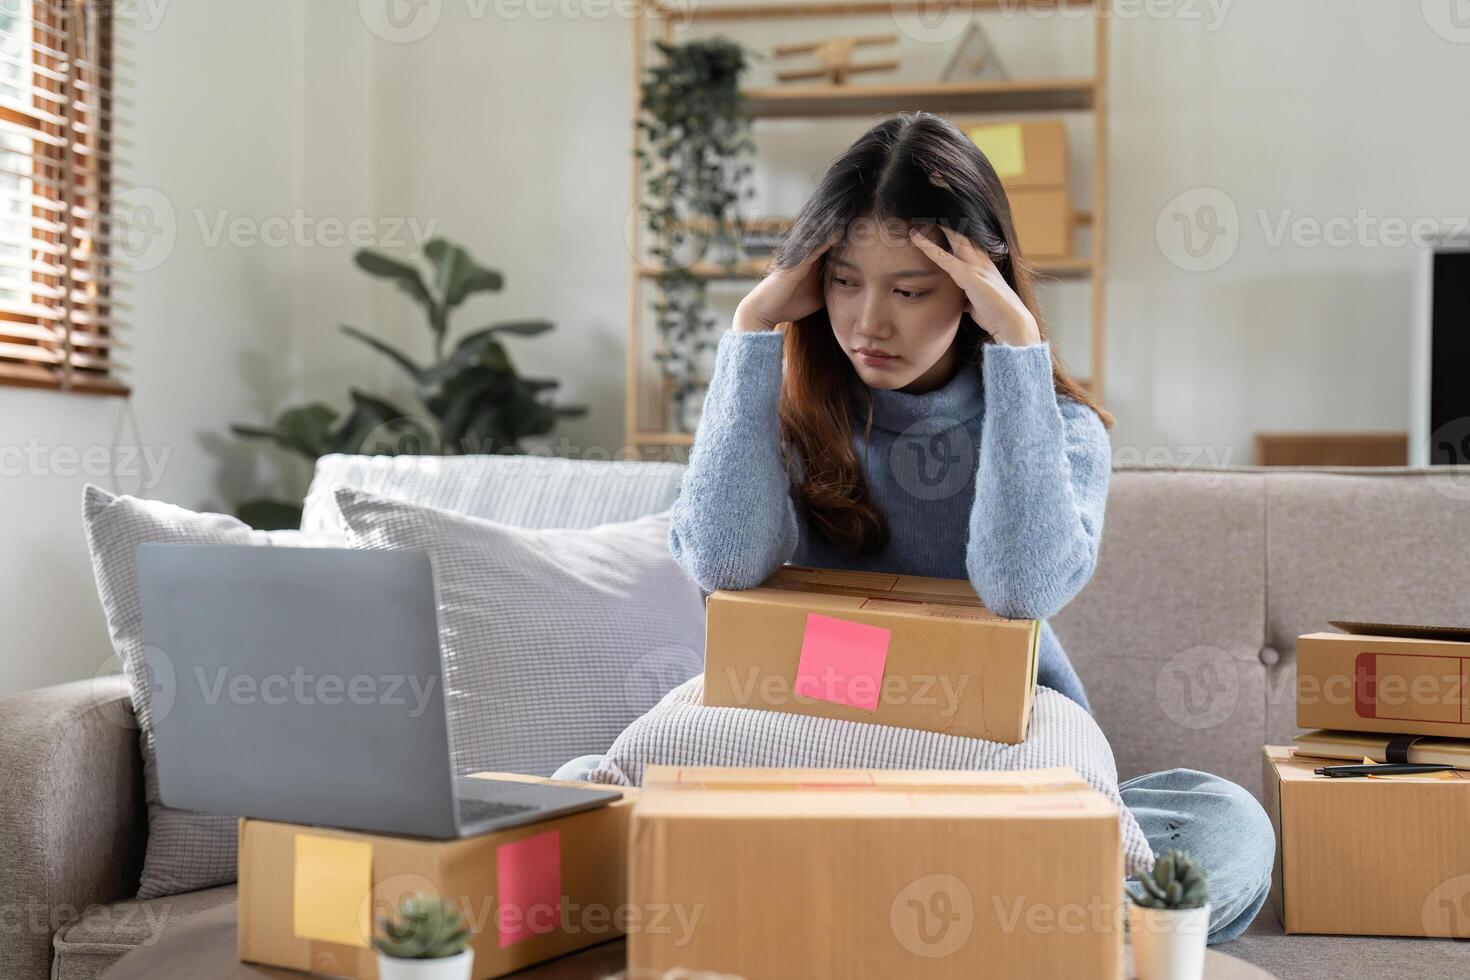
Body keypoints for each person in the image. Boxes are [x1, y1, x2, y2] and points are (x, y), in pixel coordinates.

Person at [558, 111, 1273, 945]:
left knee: (1226, 817)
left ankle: (884, 894)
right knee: (583, 781)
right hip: (812, 727)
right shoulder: (786, 414)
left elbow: (1021, 590)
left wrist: (1017, 347)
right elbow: (723, 563)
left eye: (909, 291)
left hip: (990, 740)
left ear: (976, 288)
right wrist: (751, 326)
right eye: (843, 282)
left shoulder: (1063, 429)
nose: (868, 323)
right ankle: (1042, 909)